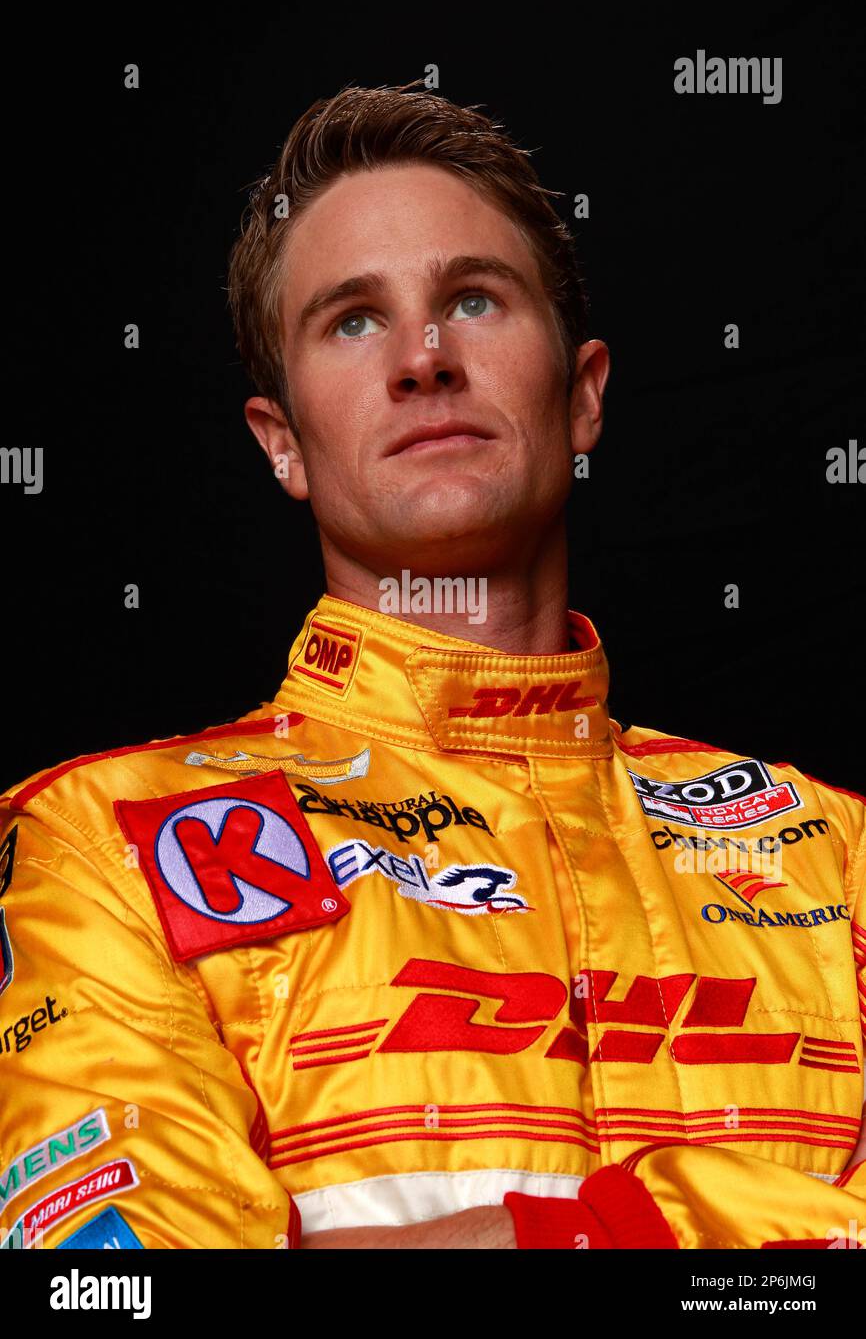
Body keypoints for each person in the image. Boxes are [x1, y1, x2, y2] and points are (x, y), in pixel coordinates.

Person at [1, 83, 863, 1253]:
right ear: (282, 442)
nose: (422, 357)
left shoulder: (836, 852)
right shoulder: (106, 837)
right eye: (351, 320)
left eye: (472, 298)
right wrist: (656, 1228)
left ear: (583, 394)